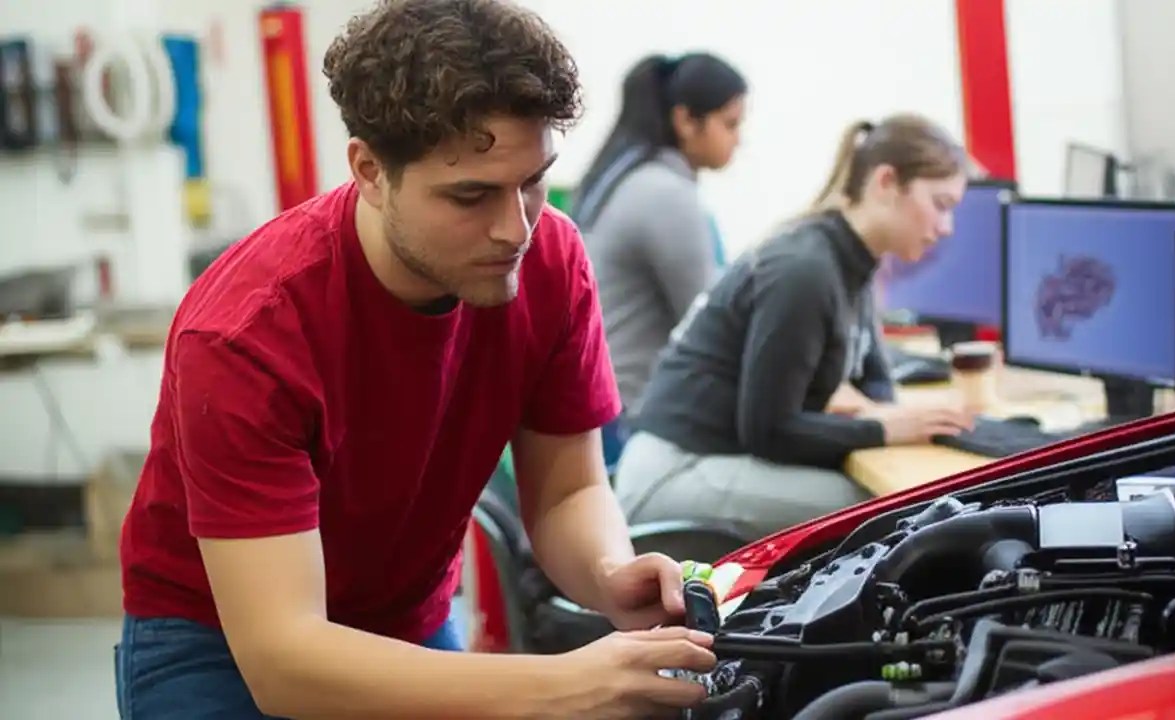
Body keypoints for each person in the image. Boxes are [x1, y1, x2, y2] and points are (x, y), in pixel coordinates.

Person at [113, 2, 716, 718]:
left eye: (531, 182)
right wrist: (566, 683)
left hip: (404, 617)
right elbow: (284, 659)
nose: (514, 229)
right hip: (222, 645)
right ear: (370, 170)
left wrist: (609, 572)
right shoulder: (247, 333)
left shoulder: (552, 260)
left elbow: (565, 494)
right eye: (470, 195)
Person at [613, 115, 976, 541]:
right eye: (941, 205)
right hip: (671, 474)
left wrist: (877, 413)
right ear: (886, 182)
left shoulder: (851, 262)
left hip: (710, 458)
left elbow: (875, 385)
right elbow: (769, 431)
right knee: (897, 514)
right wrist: (883, 426)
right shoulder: (806, 270)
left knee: (903, 502)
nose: (946, 228)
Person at [574, 52, 747, 418]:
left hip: (602, 403)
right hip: (630, 415)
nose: (739, 140)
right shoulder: (664, 194)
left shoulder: (630, 177)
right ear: (686, 120)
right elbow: (709, 322)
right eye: (730, 124)